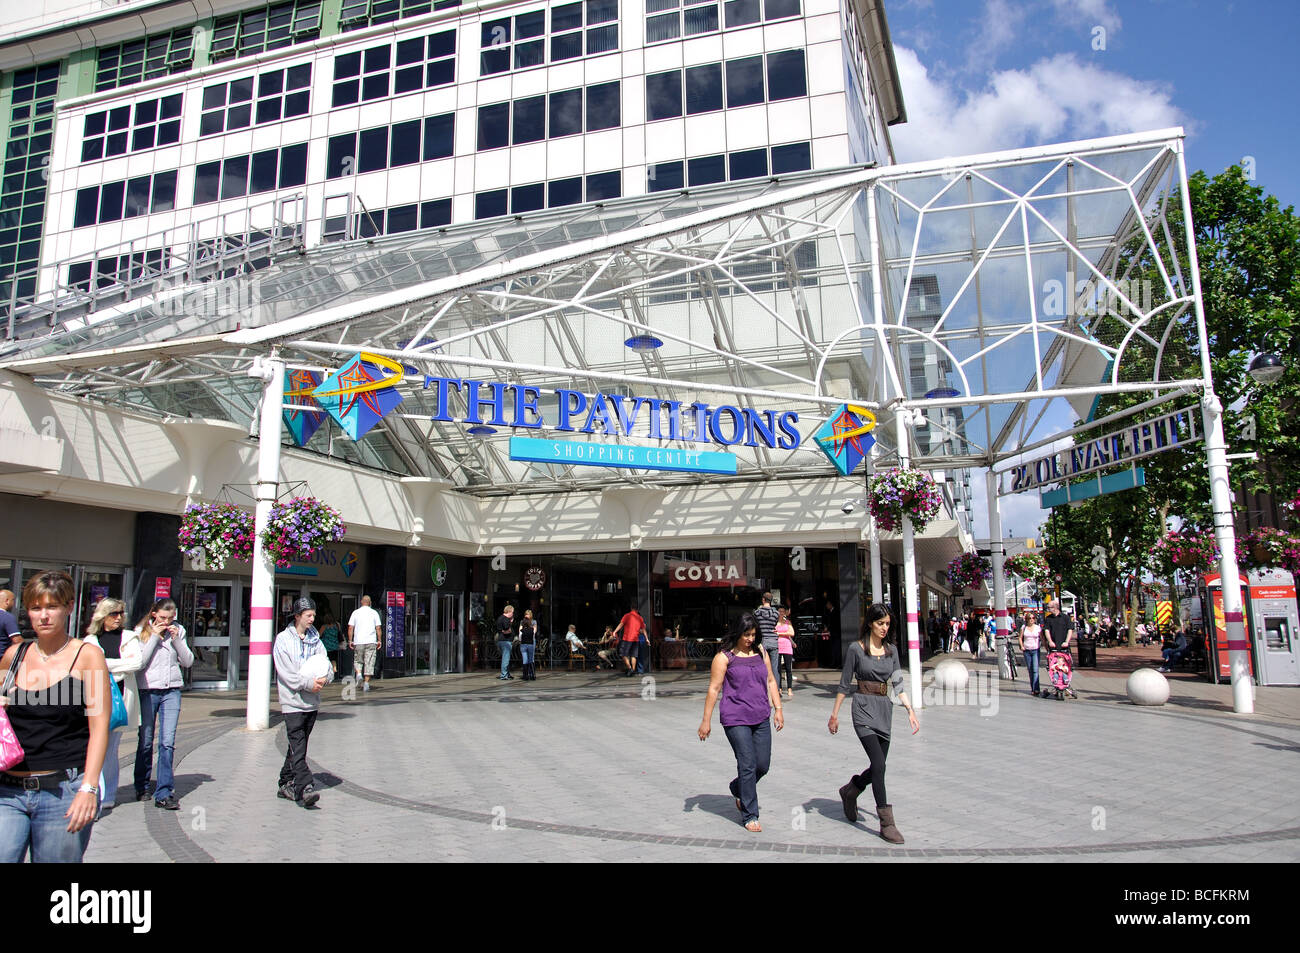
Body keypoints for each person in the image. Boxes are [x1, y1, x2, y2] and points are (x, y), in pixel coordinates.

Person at [0, 570, 110, 862]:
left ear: (69, 607)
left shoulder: (86, 656)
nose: (44, 616)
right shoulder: (14, 655)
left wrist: (89, 787)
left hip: (62, 789)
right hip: (7, 791)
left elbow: (100, 728)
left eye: (52, 607)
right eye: (36, 608)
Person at [829, 603, 919, 844]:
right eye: (880, 623)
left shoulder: (892, 651)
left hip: (884, 710)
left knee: (878, 767)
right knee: (879, 764)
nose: (884, 628)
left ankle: (851, 790)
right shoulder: (855, 649)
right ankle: (887, 823)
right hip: (862, 710)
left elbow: (898, 682)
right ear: (870, 623)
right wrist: (834, 714)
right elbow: (844, 683)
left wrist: (909, 710)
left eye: (888, 624)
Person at [697, 612, 784, 833]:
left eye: (753, 634)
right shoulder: (724, 657)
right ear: (737, 633)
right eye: (746, 634)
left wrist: (778, 709)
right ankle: (750, 814)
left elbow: (771, 680)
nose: (750, 639)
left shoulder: (761, 651)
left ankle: (738, 788)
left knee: (762, 765)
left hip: (761, 715)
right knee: (747, 764)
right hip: (735, 718)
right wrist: (705, 721)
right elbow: (714, 689)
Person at [132, 598, 193, 810]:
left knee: (167, 741)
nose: (167, 622)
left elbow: (188, 661)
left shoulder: (178, 631)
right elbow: (139, 663)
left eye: (171, 618)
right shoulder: (141, 631)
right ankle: (141, 784)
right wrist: (154, 638)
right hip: (148, 690)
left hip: (172, 690)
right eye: (163, 618)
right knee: (146, 739)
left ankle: (164, 791)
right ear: (154, 614)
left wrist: (177, 640)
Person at [82, 598, 142, 811]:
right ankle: (93, 789)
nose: (118, 617)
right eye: (113, 614)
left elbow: (136, 663)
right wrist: (118, 666)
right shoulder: (90, 640)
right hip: (95, 698)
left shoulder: (129, 637)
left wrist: (104, 664)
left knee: (110, 749)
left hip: (120, 699)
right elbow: (85, 666)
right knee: (94, 745)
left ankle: (108, 794)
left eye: (120, 613)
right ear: (102, 616)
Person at [273, 596, 332, 808]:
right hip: (292, 702)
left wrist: (325, 679)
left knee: (298, 744)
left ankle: (284, 782)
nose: (312, 619)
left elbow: (324, 663)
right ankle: (305, 787)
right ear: (297, 616)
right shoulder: (283, 640)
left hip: (311, 703)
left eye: (313, 615)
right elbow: (287, 674)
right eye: (308, 615)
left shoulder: (316, 639)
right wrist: (308, 683)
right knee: (298, 745)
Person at [347, 595, 382, 692]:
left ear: (361, 602)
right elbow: (378, 628)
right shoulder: (374, 613)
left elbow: (350, 627)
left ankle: (358, 674)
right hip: (371, 641)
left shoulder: (355, 613)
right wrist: (379, 640)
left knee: (358, 660)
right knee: (369, 662)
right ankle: (366, 684)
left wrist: (350, 640)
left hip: (358, 641)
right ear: (370, 603)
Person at [754, 591, 781, 684]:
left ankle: (763, 688)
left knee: (761, 666)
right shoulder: (776, 613)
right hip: (773, 640)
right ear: (771, 601)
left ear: (763, 599)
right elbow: (775, 624)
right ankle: (776, 690)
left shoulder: (757, 613)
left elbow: (755, 625)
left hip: (763, 641)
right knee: (774, 668)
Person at [612, 603, 646, 678]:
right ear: (637, 609)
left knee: (623, 654)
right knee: (634, 655)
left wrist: (615, 631)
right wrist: (646, 638)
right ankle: (633, 670)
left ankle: (630, 668)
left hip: (628, 638)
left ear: (631, 608)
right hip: (636, 639)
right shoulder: (640, 618)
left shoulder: (627, 616)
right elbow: (643, 629)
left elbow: (621, 624)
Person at [1017, 609, 1043, 697]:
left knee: (1035, 670)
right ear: (1027, 619)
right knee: (1030, 670)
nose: (1031, 619)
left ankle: (1036, 689)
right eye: (1029, 618)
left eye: (1033, 618)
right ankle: (1033, 688)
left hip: (1035, 650)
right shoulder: (1023, 628)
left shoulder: (1038, 628)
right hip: (1027, 650)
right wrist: (1022, 646)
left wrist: (1046, 648)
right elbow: (1020, 637)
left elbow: (1042, 638)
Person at [775, 605, 796, 699]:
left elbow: (792, 633)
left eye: (783, 611)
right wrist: (785, 634)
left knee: (788, 668)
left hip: (787, 646)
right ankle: (779, 688)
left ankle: (789, 688)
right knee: (778, 668)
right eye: (779, 611)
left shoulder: (788, 622)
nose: (781, 613)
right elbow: (773, 632)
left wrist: (780, 634)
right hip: (778, 646)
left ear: (785, 612)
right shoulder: (775, 623)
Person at [318, 611, 341, 678]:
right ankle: (334, 669)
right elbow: (339, 633)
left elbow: (319, 635)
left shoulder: (324, 626)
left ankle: (328, 672)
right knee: (334, 659)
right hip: (335, 644)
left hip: (326, 645)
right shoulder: (337, 625)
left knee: (326, 658)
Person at [495, 605, 515, 680]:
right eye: (512, 612)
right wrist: (510, 624)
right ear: (509, 611)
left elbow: (500, 629)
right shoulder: (506, 619)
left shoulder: (500, 618)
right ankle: (504, 675)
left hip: (501, 640)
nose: (512, 614)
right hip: (506, 641)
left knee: (505, 658)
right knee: (505, 659)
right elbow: (507, 630)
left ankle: (507, 673)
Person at [518, 609, 539, 681]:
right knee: (526, 659)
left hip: (531, 640)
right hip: (526, 641)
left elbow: (534, 632)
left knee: (531, 658)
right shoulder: (522, 621)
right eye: (525, 614)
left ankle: (531, 674)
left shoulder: (534, 621)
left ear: (531, 615)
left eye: (528, 614)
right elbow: (520, 630)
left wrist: (525, 633)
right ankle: (527, 674)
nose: (526, 616)